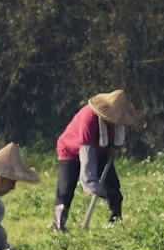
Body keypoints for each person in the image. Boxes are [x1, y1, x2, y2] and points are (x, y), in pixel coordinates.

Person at [53, 90, 141, 232]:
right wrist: (91, 182)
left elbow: (113, 139)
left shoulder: (116, 120)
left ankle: (115, 223)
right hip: (71, 150)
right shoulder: (89, 117)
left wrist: (113, 148)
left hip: (100, 151)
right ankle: (59, 227)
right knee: (65, 190)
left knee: (114, 188)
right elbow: (87, 153)